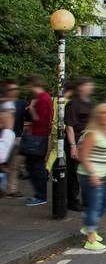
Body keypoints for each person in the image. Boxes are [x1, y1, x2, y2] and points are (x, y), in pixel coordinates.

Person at [76, 103, 106, 251]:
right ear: (97, 116)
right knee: (94, 206)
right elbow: (83, 156)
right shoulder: (92, 133)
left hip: (105, 175)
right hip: (90, 175)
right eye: (103, 113)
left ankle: (89, 225)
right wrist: (92, 174)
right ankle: (90, 240)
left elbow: (105, 150)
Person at [64, 77, 95, 212]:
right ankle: (72, 200)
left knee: (86, 170)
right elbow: (69, 126)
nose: (91, 87)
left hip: (88, 141)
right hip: (76, 141)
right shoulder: (72, 104)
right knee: (73, 172)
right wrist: (73, 146)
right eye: (88, 85)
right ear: (80, 87)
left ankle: (87, 199)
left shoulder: (91, 103)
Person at [21, 77, 52, 206]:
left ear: (33, 85)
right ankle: (39, 195)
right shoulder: (44, 97)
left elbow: (40, 120)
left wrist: (32, 108)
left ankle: (41, 196)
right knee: (34, 165)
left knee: (35, 166)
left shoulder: (42, 99)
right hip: (38, 136)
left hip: (38, 137)